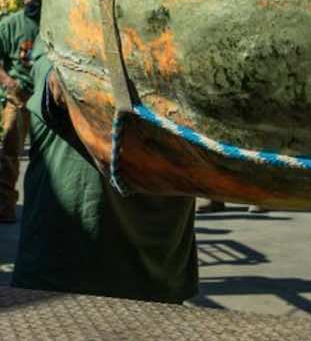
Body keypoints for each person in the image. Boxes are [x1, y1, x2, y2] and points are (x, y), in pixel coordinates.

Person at [12, 44, 198, 302]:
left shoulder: (184, 62)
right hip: (62, 283)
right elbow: (57, 83)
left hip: (157, 280)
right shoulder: (55, 51)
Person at [0, 0, 41, 223]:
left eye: (39, 0)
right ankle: (5, 206)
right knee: (10, 153)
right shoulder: (11, 24)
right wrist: (8, 82)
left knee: (44, 159)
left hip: (42, 100)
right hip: (16, 97)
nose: (33, 3)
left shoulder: (47, 26)